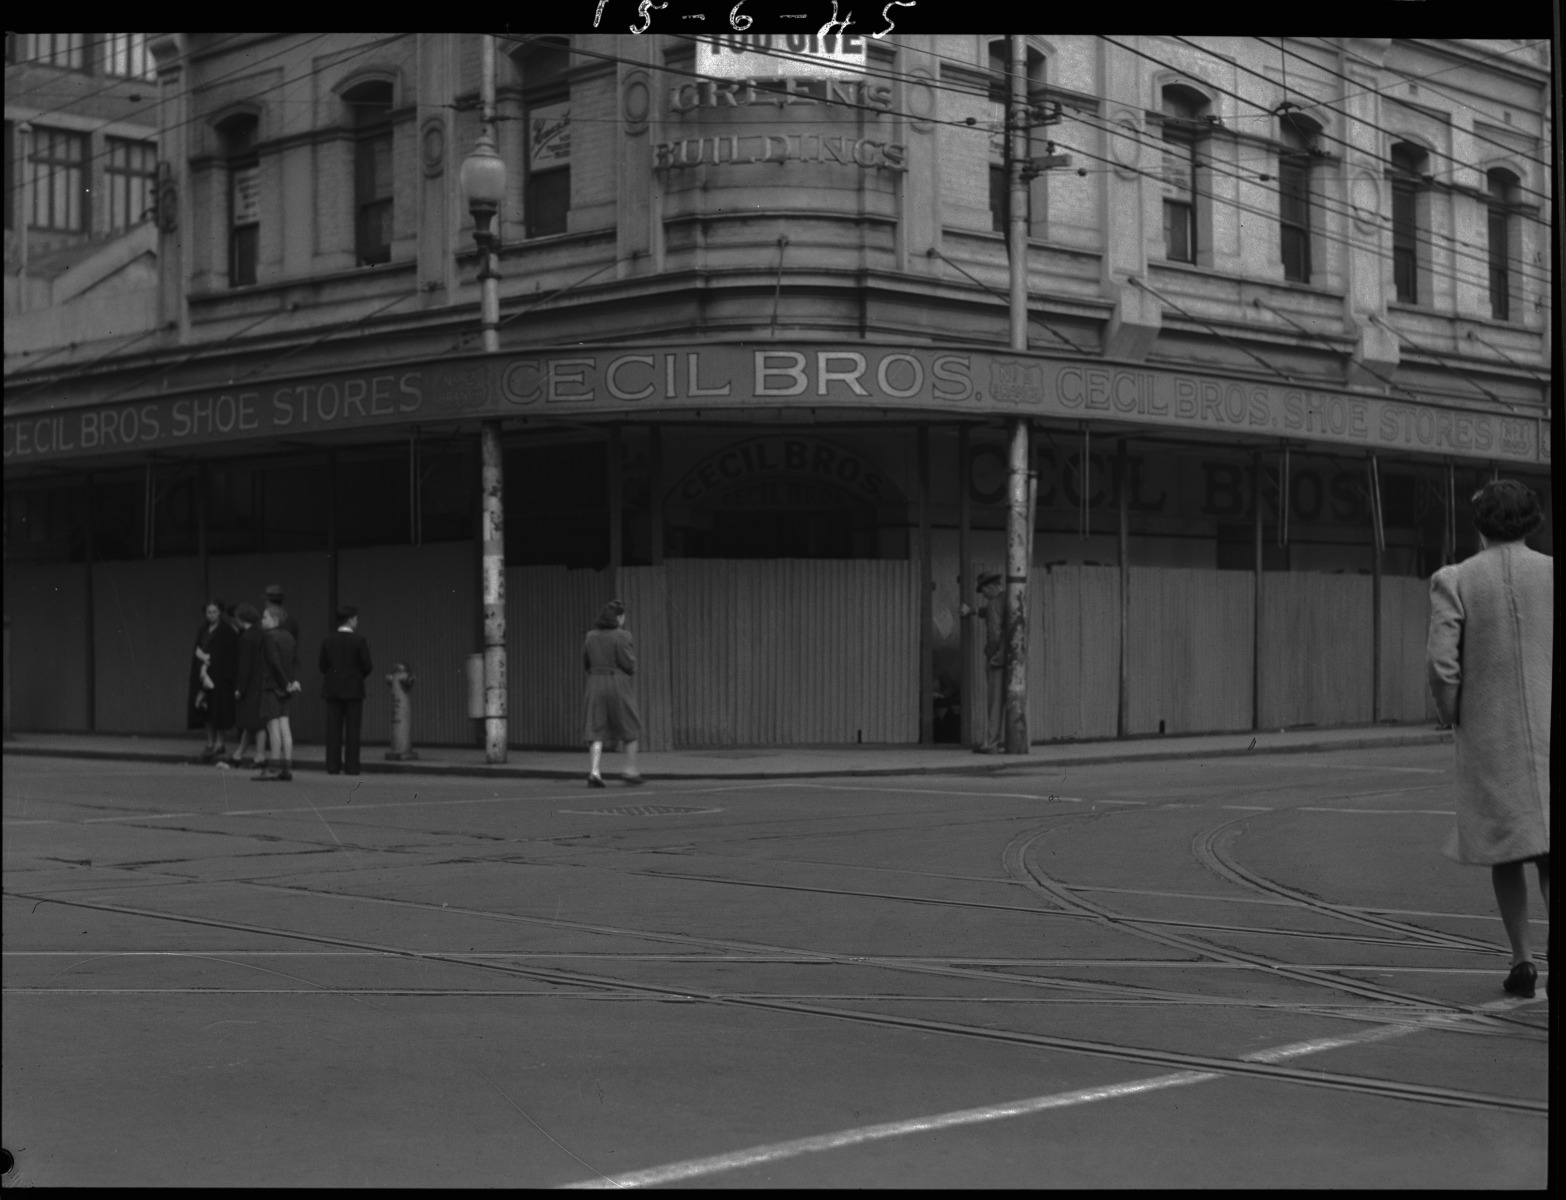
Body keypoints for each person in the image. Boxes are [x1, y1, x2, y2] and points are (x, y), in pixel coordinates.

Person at [1426, 479, 1551, 999]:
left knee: (1506, 851)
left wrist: (1452, 713)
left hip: (1490, 735)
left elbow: (1441, 663)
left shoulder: (1455, 579)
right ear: (1531, 522)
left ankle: (1522, 958)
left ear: (1480, 525)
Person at [583, 599, 643, 788]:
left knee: (596, 727)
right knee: (629, 726)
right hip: (616, 682)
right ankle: (630, 770)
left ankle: (594, 772)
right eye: (623, 616)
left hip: (595, 681)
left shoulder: (591, 636)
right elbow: (628, 664)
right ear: (618, 617)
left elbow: (586, 662)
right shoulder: (622, 636)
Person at [320, 605, 374, 775]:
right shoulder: (359, 641)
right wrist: (356, 676)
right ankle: (352, 767)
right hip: (353, 690)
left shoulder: (328, 640)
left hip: (333, 689)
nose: (357, 621)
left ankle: (332, 765)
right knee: (353, 730)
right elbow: (367, 666)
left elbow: (322, 666)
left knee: (333, 730)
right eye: (356, 618)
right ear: (350, 619)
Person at [959, 571, 1006, 753]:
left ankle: (991, 743)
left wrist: (989, 653)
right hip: (1013, 659)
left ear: (991, 587)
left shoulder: (994, 603)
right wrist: (972, 611)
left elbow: (994, 632)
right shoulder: (1007, 599)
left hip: (997, 660)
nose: (983, 595)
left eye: (984, 591)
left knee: (994, 703)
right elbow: (990, 612)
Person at [255, 602, 302, 782]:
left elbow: (274, 662)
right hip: (287, 687)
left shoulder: (269, 637)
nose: (262, 620)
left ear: (274, 619)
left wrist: (283, 683)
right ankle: (287, 768)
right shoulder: (289, 636)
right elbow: (296, 660)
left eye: (265, 617)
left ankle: (274, 767)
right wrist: (293, 682)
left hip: (272, 686)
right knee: (285, 727)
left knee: (273, 727)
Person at [187, 599, 239, 762]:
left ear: (220, 612)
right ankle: (210, 742)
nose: (211, 615)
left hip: (219, 677)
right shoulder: (203, 629)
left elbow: (231, 655)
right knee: (205, 709)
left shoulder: (226, 630)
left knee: (219, 710)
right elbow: (197, 649)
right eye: (208, 612)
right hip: (203, 675)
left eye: (214, 612)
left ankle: (219, 743)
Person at [225, 603, 267, 769]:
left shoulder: (245, 638)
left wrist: (239, 688)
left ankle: (259, 756)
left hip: (250, 686)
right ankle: (239, 754)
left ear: (241, 619)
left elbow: (244, 666)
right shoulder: (263, 634)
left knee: (254, 723)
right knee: (254, 722)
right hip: (262, 682)